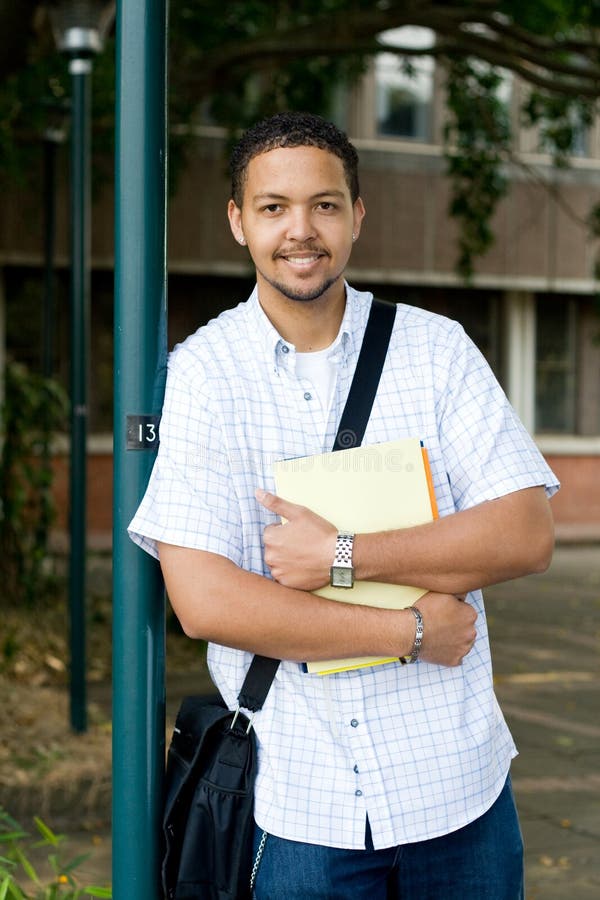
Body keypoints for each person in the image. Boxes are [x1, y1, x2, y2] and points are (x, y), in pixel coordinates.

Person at [129, 111, 559, 899]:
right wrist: (412, 630)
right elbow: (205, 600)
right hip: (302, 805)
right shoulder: (205, 374)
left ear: (357, 216)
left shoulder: (436, 349)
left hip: (458, 791)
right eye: (273, 207)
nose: (301, 230)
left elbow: (526, 532)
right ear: (237, 221)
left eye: (325, 205)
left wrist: (341, 554)